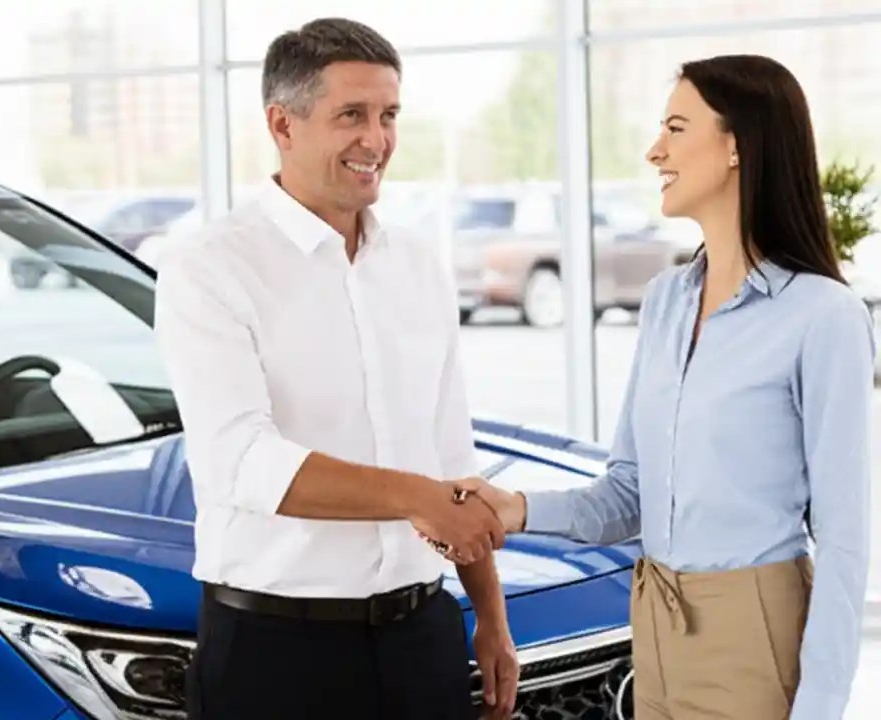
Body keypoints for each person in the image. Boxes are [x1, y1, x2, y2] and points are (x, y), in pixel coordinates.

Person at [456, 54, 875, 720]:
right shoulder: (665, 302)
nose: (655, 151)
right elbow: (628, 494)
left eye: (676, 129)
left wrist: (820, 709)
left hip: (753, 636)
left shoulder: (823, 317)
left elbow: (846, 542)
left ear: (737, 145)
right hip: (653, 631)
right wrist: (514, 508)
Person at [153, 17, 519, 720]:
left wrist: (490, 619)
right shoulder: (209, 267)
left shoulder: (417, 265)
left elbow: (451, 458)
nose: (376, 140)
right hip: (278, 658)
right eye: (351, 115)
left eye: (388, 116)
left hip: (423, 641)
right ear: (282, 125)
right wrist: (416, 496)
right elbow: (241, 461)